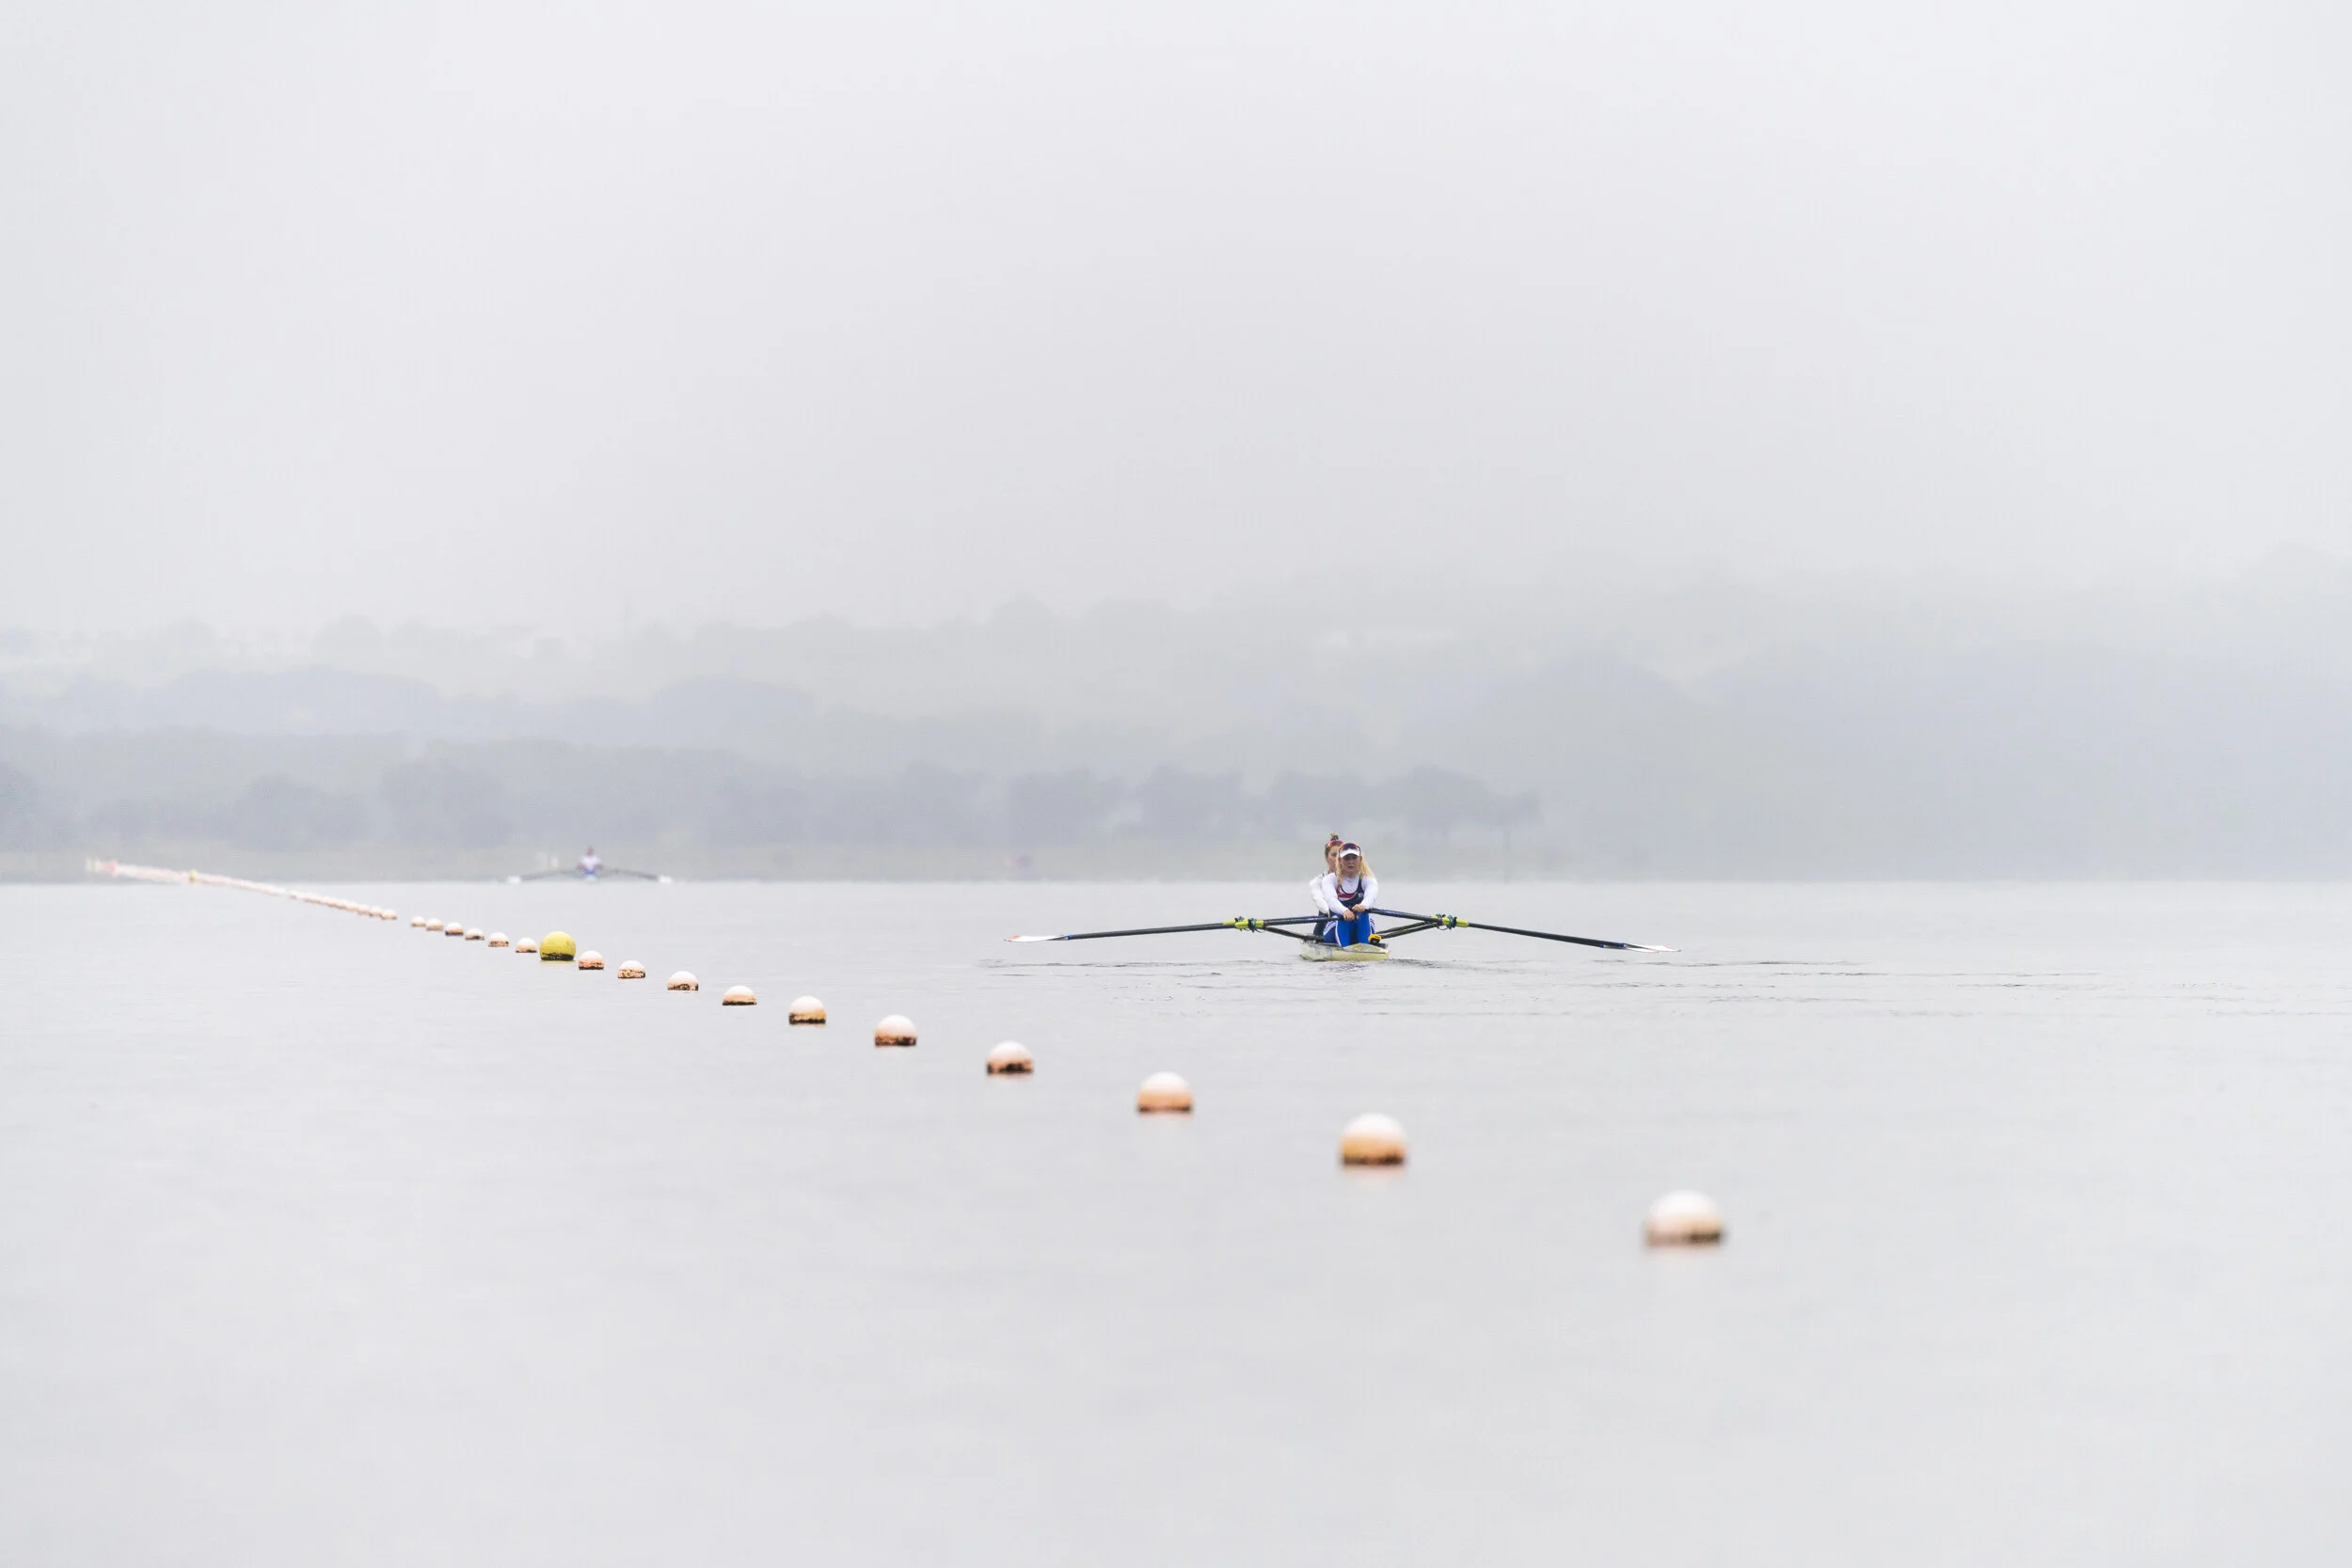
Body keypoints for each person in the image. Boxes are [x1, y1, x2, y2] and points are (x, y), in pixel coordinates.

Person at [1310, 842, 1378, 947]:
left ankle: (1365, 949)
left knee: (1364, 915)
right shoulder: (1330, 879)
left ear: (1360, 859)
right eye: (1346, 858)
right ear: (1340, 861)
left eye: (1354, 857)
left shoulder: (1368, 879)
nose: (1350, 862)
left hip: (1359, 924)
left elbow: (1371, 896)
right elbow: (1331, 900)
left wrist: (1363, 906)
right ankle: (1345, 950)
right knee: (1342, 918)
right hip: (1336, 925)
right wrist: (1344, 911)